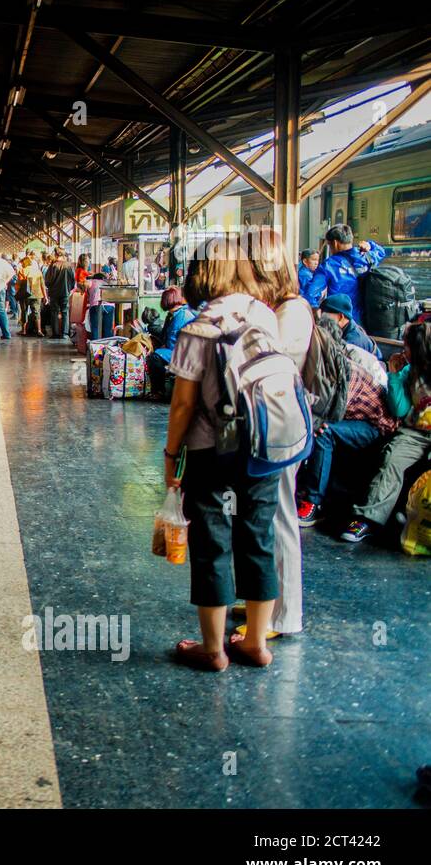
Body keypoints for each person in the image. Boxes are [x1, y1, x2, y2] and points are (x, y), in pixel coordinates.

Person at [165, 238, 285, 671]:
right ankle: (255, 642)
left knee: (211, 542)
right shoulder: (264, 315)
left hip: (210, 447)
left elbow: (182, 405)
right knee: (258, 536)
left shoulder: (197, 329)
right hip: (264, 445)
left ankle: (213, 649)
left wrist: (169, 456)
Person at [258, 238, 314, 640]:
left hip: (282, 425)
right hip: (275, 423)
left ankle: (284, 614)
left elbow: (267, 362)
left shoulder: (291, 313)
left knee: (281, 517)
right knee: (270, 515)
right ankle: (269, 599)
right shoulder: (284, 309)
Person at [295, 326, 399, 528]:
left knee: (324, 431)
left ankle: (314, 502)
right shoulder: (325, 367)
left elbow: (330, 412)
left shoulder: (340, 372)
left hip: (376, 427)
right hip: (354, 417)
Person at [342, 321, 431, 543]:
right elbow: (399, 408)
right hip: (416, 433)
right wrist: (393, 373)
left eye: (407, 347)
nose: (403, 351)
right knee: (391, 459)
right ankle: (367, 519)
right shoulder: (408, 372)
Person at [302, 224, 387, 326]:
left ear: (335, 243)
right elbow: (381, 251)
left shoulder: (329, 265)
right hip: (364, 320)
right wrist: (369, 245)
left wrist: (317, 311)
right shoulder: (366, 257)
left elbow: (310, 294)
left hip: (339, 322)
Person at [146, 286, 198, 397]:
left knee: (155, 358)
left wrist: (160, 349)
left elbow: (171, 343)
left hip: (183, 353)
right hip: (183, 350)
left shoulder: (180, 317)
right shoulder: (177, 314)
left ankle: (158, 392)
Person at [44, 251, 75, 338]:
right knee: (65, 312)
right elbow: (73, 280)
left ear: (56, 255)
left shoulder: (53, 266)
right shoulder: (69, 265)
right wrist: (69, 289)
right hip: (65, 292)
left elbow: (48, 281)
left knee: (54, 312)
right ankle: (65, 333)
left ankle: (55, 333)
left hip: (54, 293)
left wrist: (50, 287)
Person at [20, 253, 47, 336]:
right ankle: (39, 330)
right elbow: (42, 284)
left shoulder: (22, 270)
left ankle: (24, 330)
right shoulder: (38, 271)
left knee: (24, 312)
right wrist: (45, 296)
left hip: (25, 295)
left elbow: (19, 284)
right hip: (37, 294)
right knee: (37, 312)